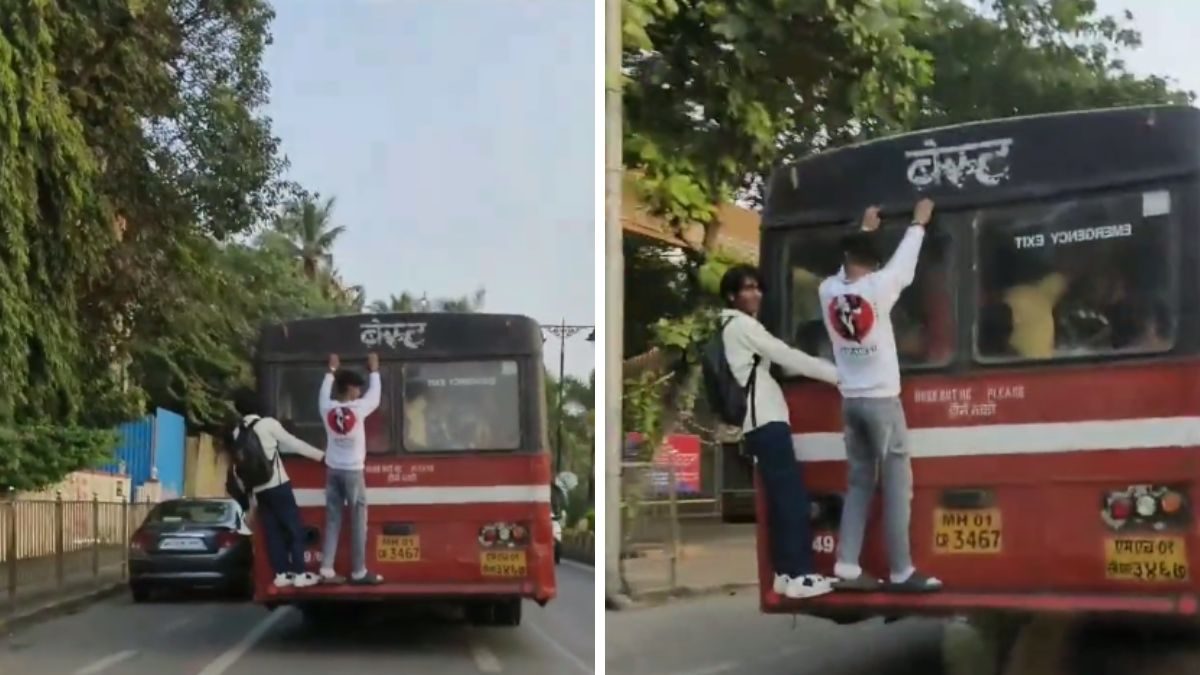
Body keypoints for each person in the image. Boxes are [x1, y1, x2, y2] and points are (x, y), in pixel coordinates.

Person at [818, 198, 942, 593]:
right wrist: (919, 223)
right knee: (896, 487)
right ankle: (903, 570)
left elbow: (849, 263)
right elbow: (905, 264)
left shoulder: (828, 291)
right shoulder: (879, 287)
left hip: (850, 402)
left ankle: (847, 567)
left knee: (858, 484)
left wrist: (866, 230)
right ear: (872, 263)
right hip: (883, 404)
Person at [719, 264, 841, 599]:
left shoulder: (729, 326)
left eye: (757, 287)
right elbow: (785, 355)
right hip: (766, 421)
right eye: (746, 288)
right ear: (731, 295)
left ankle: (785, 575)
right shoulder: (742, 326)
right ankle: (801, 574)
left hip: (758, 422)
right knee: (790, 499)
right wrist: (839, 375)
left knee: (780, 499)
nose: (754, 293)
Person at [225, 387, 325, 589]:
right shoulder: (268, 424)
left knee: (272, 532)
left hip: (258, 490)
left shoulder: (237, 432)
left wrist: (248, 495)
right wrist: (321, 456)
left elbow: (238, 465)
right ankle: (299, 573)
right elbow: (294, 444)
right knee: (294, 528)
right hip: (278, 485)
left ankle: (281, 573)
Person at [318, 352, 384, 585]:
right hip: (353, 473)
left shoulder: (326, 409)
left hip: (332, 471)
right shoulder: (358, 409)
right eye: (357, 388)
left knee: (333, 519)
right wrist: (374, 370)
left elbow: (324, 393)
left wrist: (331, 370)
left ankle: (326, 569)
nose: (359, 392)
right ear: (349, 389)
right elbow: (375, 397)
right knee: (358, 522)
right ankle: (358, 571)